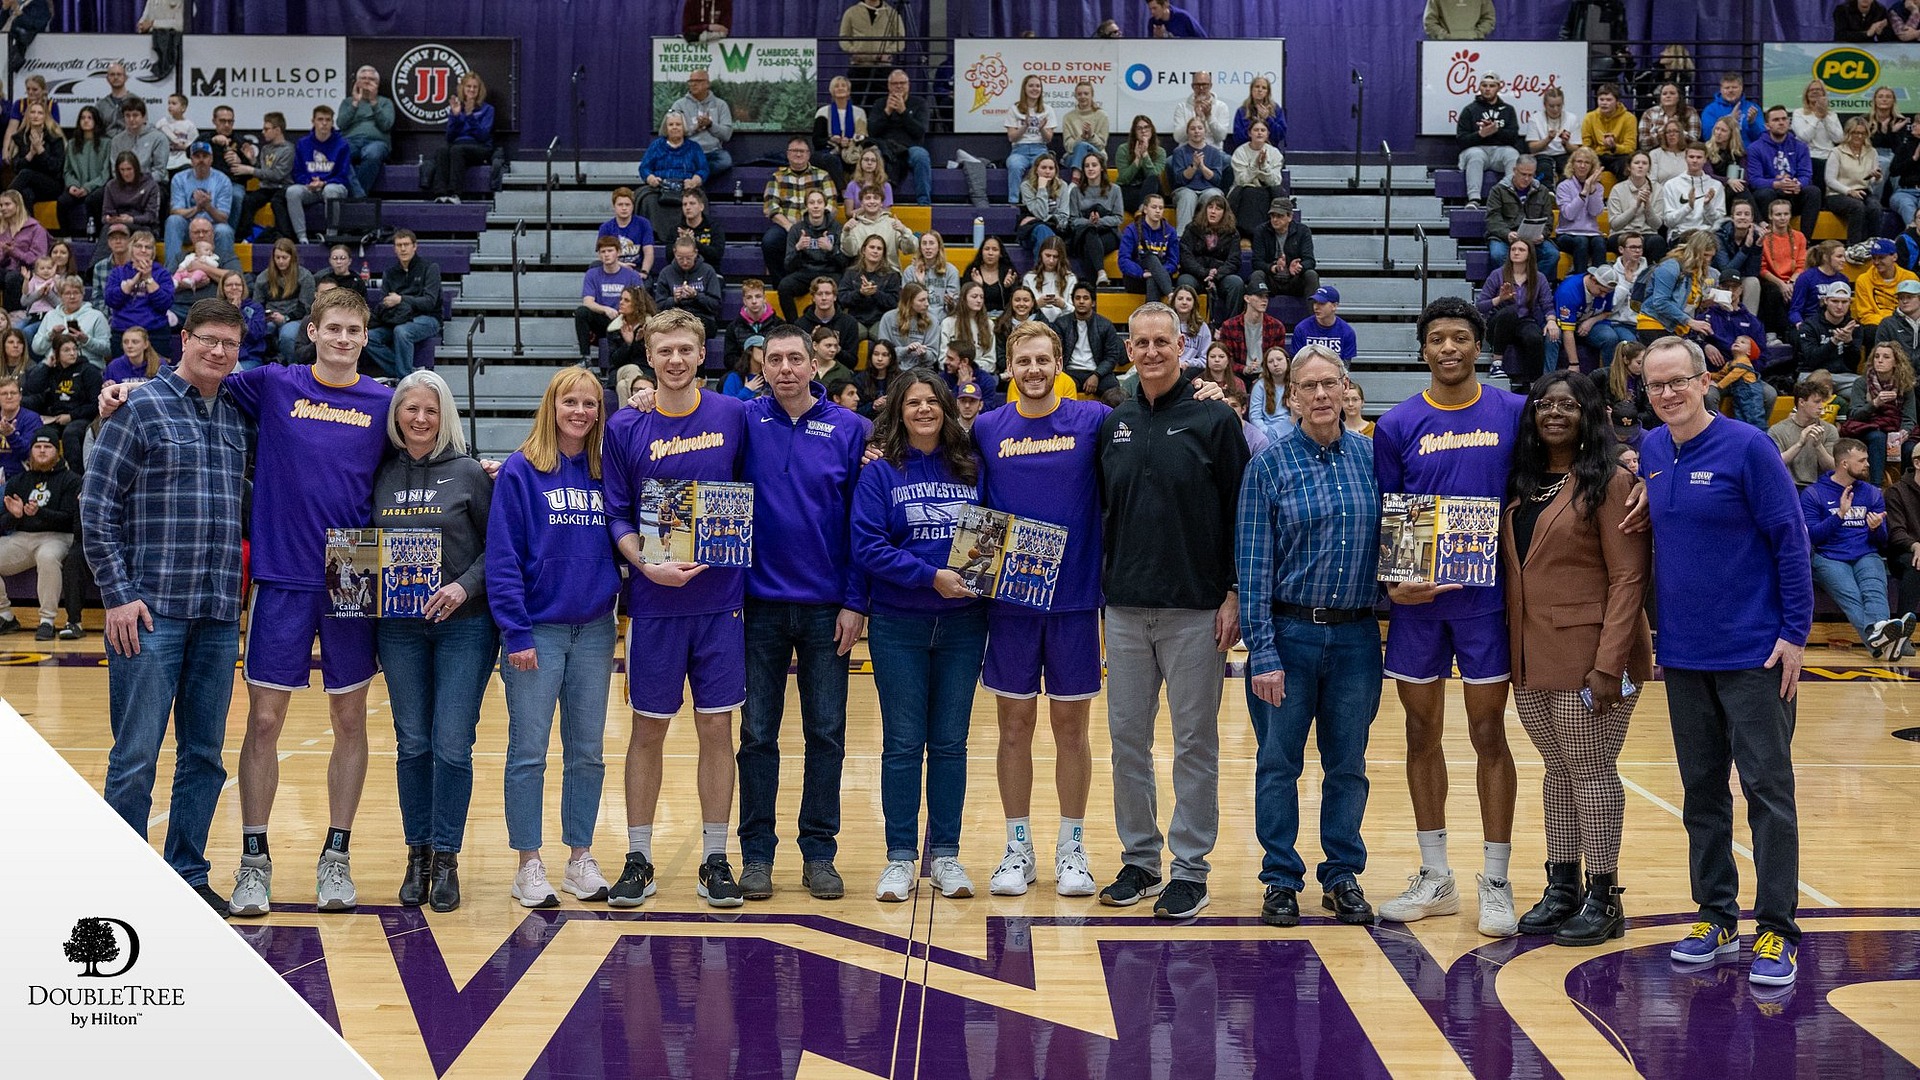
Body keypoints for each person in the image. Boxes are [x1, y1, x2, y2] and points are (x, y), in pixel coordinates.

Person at [1638, 335, 1810, 986]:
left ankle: (1777, 929)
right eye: (1656, 385)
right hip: (1684, 655)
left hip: (1755, 653)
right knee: (1702, 792)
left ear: (1705, 381)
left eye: (1678, 381)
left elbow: (1791, 539)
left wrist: (1795, 634)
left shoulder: (1749, 447)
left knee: (1767, 792)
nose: (1668, 394)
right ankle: (1716, 914)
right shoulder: (1652, 451)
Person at [86, 298, 251, 918]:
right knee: (135, 756)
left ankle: (188, 874)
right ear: (184, 339)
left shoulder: (237, 415)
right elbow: (96, 507)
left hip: (216, 614)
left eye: (230, 343)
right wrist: (117, 595)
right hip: (150, 614)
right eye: (209, 339)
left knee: (204, 756)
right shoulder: (138, 407)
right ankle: (124, 884)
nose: (218, 351)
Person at [1372, 296, 1528, 938]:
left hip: (1486, 603)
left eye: (1460, 337)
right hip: (1419, 609)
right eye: (1437, 338)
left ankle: (1496, 878)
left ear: (1478, 345)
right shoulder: (1396, 423)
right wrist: (1394, 583)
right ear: (1423, 349)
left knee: (1489, 734)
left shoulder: (1513, 411)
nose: (1448, 348)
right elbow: (1389, 510)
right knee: (1420, 733)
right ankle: (1436, 876)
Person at [1097, 301, 1249, 919]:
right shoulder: (1113, 422)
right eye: (1141, 343)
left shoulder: (1215, 418)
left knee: (1194, 745)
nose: (1152, 352)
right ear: (1128, 350)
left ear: (1182, 345)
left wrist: (1234, 592)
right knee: (1127, 743)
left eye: (1163, 341)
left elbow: (1242, 513)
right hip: (1125, 612)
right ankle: (1140, 860)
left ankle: (1189, 869)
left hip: (1195, 611)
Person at [602, 309, 751, 908]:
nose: (675, 360)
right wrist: (645, 564)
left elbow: (752, 489)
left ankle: (716, 859)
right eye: (664, 350)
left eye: (685, 349)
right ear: (648, 355)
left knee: (717, 728)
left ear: (702, 353)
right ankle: (638, 857)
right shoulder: (626, 425)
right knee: (648, 728)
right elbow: (617, 513)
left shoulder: (733, 415)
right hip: (654, 603)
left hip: (721, 601)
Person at [1234, 343, 1382, 928]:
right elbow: (1253, 567)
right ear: (1291, 398)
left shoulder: (1373, 458)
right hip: (1289, 635)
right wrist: (1262, 652)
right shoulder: (1268, 466)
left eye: (1330, 384)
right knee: (1278, 764)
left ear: (1346, 390)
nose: (1321, 395)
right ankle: (1280, 878)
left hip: (1357, 638)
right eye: (1308, 387)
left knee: (1348, 765)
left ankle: (1342, 875)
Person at [1501, 371, 1651, 946]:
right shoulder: (1522, 483)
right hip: (1530, 654)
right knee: (1558, 771)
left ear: (1590, 414)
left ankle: (1604, 894)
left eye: (1568, 405)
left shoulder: (1611, 482)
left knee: (1591, 771)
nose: (1554, 413)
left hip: (1593, 656)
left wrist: (1610, 664)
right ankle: (1561, 886)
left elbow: (1629, 577)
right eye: (1545, 404)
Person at [730, 324, 871, 901]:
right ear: (761, 367)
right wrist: (641, 396)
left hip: (826, 610)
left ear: (816, 365)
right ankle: (756, 855)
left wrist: (856, 600)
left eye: (796, 359)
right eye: (775, 360)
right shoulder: (741, 419)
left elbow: (864, 523)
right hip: (758, 607)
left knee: (826, 734)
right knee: (757, 735)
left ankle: (819, 853)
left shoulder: (852, 430)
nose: (785, 369)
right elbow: (681, 418)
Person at [972, 321, 1109, 897]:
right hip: (1012, 603)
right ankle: (1017, 847)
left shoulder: (1093, 421)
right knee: (1014, 727)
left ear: (1060, 365)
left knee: (1071, 729)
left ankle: (1072, 848)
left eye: (1042, 360)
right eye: (1023, 361)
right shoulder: (987, 428)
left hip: (1075, 601)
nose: (1033, 370)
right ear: (1009, 367)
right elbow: (971, 500)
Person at [852, 369, 987, 901]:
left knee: (951, 743)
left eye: (932, 400)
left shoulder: (972, 466)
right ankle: (901, 857)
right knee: (904, 743)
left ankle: (946, 855)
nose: (924, 409)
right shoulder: (880, 472)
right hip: (898, 623)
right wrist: (930, 576)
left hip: (964, 624)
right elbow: (868, 546)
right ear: (898, 411)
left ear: (947, 408)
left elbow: (994, 531)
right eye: (913, 402)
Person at [488, 366, 621, 908]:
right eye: (571, 402)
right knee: (529, 752)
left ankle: (579, 858)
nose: (580, 412)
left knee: (587, 752)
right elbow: (502, 558)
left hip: (595, 629)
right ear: (552, 406)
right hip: (536, 632)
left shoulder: (607, 469)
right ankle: (528, 864)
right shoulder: (521, 470)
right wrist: (515, 631)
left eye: (590, 404)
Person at [373, 371, 494, 912]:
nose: (421, 419)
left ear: (446, 415)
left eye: (431, 410)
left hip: (464, 626)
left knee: (451, 745)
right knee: (413, 744)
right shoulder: (379, 470)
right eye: (411, 409)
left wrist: (463, 586)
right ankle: (416, 854)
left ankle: (447, 857)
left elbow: (499, 548)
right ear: (396, 414)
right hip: (399, 628)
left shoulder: (470, 472)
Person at [1807, 436, 1915, 657]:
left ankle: (1880, 639)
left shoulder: (1871, 492)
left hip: (1866, 553)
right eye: (1862, 460)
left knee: (1874, 590)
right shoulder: (1814, 493)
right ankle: (1885, 644)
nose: (1868, 464)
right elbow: (1812, 537)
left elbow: (1883, 542)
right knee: (1851, 595)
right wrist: (1839, 515)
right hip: (1829, 556)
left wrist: (1876, 529)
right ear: (1844, 463)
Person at [0, 428, 77, 639]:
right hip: (23, 538)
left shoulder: (71, 480)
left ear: (57, 452)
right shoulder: (18, 481)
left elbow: (70, 520)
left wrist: (39, 512)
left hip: (58, 537)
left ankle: (47, 621)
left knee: (47, 556)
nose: (42, 451)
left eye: (47, 446)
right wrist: (15, 516)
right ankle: (5, 616)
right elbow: (3, 524)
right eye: (38, 446)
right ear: (31, 451)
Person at [365, 229, 443, 380]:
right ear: (394, 248)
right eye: (399, 245)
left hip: (428, 318)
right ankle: (408, 372)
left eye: (406, 244)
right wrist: (394, 304)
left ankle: (404, 380)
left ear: (415, 246)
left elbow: (429, 302)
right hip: (397, 318)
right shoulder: (390, 272)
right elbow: (384, 301)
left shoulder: (429, 268)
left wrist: (401, 299)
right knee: (368, 337)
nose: (403, 249)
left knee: (402, 332)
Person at [1478, 236, 1551, 387]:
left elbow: (1547, 304)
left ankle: (1534, 383)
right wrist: (1500, 298)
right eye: (1513, 249)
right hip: (1498, 323)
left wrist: (1551, 321)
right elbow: (1480, 306)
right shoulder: (1497, 274)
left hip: (1524, 321)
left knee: (1534, 336)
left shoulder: (1539, 278)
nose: (1516, 252)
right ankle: (1496, 364)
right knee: (1510, 312)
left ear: (1529, 254)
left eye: (1521, 250)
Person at [761, 137, 837, 281]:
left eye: (802, 151)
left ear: (809, 154)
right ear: (788, 154)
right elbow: (770, 207)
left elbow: (831, 206)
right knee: (770, 241)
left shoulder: (822, 175)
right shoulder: (777, 177)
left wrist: (814, 224)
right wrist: (789, 227)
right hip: (786, 226)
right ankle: (781, 283)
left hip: (816, 226)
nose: (798, 154)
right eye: (794, 151)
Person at [1845, 339, 1918, 481]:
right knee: (1878, 438)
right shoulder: (1862, 383)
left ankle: (1907, 486)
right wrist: (1875, 403)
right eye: (1877, 356)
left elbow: (1910, 418)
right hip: (1868, 427)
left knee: (1910, 449)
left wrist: (1902, 435)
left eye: (1886, 357)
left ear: (1896, 362)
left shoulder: (1905, 385)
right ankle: (1876, 486)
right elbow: (1854, 414)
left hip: (1896, 429)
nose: (1880, 360)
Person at [22, 331, 99, 468]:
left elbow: (95, 404)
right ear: (56, 353)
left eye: (75, 349)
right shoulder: (52, 371)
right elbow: (32, 388)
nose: (72, 353)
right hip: (55, 418)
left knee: (71, 433)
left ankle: (76, 475)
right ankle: (40, 472)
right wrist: (46, 365)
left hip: (81, 418)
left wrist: (71, 416)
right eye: (66, 350)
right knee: (41, 433)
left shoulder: (89, 371)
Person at [1749, 106, 1824, 242]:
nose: (1781, 122)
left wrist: (1797, 184)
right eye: (1776, 120)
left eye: (1784, 119)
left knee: (1813, 191)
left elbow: (1806, 174)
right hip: (1772, 194)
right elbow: (1754, 180)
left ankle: (1804, 241)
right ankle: (1771, 240)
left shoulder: (1800, 146)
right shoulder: (1755, 148)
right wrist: (1777, 184)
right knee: (1764, 193)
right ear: (1767, 125)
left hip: (1794, 194)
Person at [104, 230, 175, 361]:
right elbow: (111, 300)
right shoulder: (118, 273)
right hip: (123, 331)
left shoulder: (162, 274)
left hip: (155, 332)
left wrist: (148, 278)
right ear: (131, 249)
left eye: (148, 247)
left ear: (153, 251)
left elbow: (165, 303)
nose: (143, 250)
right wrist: (131, 283)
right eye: (138, 246)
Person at [575, 236, 642, 368]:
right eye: (603, 252)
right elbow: (587, 302)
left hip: (626, 319)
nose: (606, 255)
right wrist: (605, 309)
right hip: (603, 319)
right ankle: (585, 358)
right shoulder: (592, 274)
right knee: (581, 312)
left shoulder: (632, 275)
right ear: (599, 255)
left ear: (618, 252)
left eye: (610, 251)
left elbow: (640, 301)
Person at [1457, 73, 1523, 208]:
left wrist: (1496, 131)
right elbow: (1461, 141)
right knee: (1475, 155)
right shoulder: (1469, 110)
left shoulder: (1508, 110)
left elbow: (1513, 138)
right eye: (1484, 85)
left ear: (1499, 88)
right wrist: (1481, 134)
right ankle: (1474, 199)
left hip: (1499, 152)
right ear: (1479, 87)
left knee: (1513, 154)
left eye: (1492, 86)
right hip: (1477, 150)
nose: (1487, 89)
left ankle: (1510, 198)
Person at [427, 72, 493, 204]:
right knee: (442, 151)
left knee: (457, 150)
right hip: (457, 146)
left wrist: (469, 116)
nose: (472, 89)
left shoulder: (488, 109)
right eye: (468, 86)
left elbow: (483, 136)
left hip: (480, 147)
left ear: (480, 90)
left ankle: (455, 193)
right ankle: (440, 194)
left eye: (475, 87)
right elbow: (449, 137)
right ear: (462, 88)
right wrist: (456, 116)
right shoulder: (456, 108)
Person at [778, 190, 844, 321]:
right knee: (784, 287)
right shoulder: (796, 229)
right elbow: (788, 266)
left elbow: (844, 263)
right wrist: (798, 248)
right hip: (805, 272)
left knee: (844, 286)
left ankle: (835, 324)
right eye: (812, 202)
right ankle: (795, 326)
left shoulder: (836, 228)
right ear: (806, 206)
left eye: (819, 202)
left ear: (825, 205)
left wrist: (831, 249)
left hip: (830, 272)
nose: (816, 206)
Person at [1549, 263, 1628, 373]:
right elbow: (1568, 331)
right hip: (1564, 326)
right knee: (1552, 336)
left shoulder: (1607, 289)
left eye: (1607, 293)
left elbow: (1607, 312)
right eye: (1601, 291)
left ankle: (1610, 375)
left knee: (1610, 337)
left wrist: (1591, 321)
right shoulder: (1568, 291)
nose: (1603, 296)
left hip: (1590, 323)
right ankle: (1548, 376)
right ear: (1593, 280)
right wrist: (1574, 364)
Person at [288, 107, 350, 244]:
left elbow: (343, 175)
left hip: (334, 186)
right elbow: (297, 172)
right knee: (292, 192)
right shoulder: (303, 143)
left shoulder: (342, 144)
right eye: (320, 119)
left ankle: (331, 236)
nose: (324, 123)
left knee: (330, 190)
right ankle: (302, 237)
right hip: (310, 187)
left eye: (328, 120)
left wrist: (324, 182)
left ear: (332, 122)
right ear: (313, 121)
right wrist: (309, 182)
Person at [869, 70, 932, 206]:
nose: (898, 86)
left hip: (911, 148)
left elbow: (920, 132)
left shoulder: (919, 103)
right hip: (885, 147)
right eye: (895, 83)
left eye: (902, 83)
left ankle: (924, 203)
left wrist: (903, 112)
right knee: (872, 156)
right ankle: (877, 202)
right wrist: (887, 112)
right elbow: (872, 131)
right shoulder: (880, 104)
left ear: (908, 85)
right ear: (889, 86)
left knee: (921, 156)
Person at [165, 143, 236, 262]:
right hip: (188, 227)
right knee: (173, 221)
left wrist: (208, 207)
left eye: (205, 156)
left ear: (211, 159)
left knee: (224, 230)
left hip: (212, 227)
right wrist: (197, 208)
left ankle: (225, 269)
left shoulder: (223, 180)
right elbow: (175, 211)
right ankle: (172, 268)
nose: (201, 160)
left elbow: (223, 217)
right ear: (191, 160)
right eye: (197, 156)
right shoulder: (179, 178)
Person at [1177, 194, 1243, 321]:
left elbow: (1234, 261)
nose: (1213, 211)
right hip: (1196, 275)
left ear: (1224, 213)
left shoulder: (1232, 233)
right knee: (1185, 281)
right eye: (1210, 207)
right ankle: (1186, 324)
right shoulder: (1192, 228)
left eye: (1218, 208)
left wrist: (1217, 274)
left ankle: (1230, 327)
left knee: (1236, 283)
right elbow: (1186, 257)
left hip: (1220, 276)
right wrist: (1205, 272)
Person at [234, 111, 294, 242]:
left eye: (266, 129)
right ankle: (243, 237)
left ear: (277, 130)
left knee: (277, 202)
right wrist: (252, 161)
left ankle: (286, 237)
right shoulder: (266, 149)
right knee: (248, 200)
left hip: (282, 187)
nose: (263, 132)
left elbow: (277, 175)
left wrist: (250, 170)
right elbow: (263, 172)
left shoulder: (288, 149)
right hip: (266, 187)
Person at [1798, 280, 1866, 394]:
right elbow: (1811, 360)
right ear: (1826, 301)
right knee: (1810, 386)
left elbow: (1853, 364)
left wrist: (1848, 343)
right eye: (1835, 301)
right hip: (1813, 374)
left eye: (1844, 302)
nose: (1839, 306)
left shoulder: (1854, 326)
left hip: (1843, 377)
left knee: (1867, 388)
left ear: (1850, 302)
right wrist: (1834, 341)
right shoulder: (1809, 325)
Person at [254, 237, 315, 362]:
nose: (280, 261)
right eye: (277, 257)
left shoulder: (305, 276)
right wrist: (266, 316)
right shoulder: (263, 278)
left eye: (284, 257)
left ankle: (293, 364)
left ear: (292, 258)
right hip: (270, 317)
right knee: (261, 331)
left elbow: (305, 307)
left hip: (295, 318)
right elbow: (257, 305)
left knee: (288, 335)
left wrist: (285, 318)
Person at [653, 234, 726, 339]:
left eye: (689, 258)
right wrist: (674, 300)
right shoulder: (666, 273)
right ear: (674, 253)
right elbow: (658, 306)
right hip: (673, 319)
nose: (685, 262)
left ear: (696, 253)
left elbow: (715, 305)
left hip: (702, 318)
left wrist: (696, 296)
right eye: (680, 258)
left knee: (692, 330)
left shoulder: (708, 271)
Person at [338, 66, 395, 198]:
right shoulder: (347, 102)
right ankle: (359, 196)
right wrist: (355, 103)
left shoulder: (385, 102)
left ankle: (356, 196)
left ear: (377, 83)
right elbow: (341, 124)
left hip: (376, 142)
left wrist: (374, 102)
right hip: (351, 141)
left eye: (371, 79)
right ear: (357, 82)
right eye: (363, 78)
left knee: (372, 153)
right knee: (339, 152)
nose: (367, 81)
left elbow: (386, 125)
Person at [668, 68, 734, 180]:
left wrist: (710, 125)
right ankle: (697, 180)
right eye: (691, 81)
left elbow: (726, 135)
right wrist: (694, 128)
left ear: (707, 84)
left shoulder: (720, 105)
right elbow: (672, 134)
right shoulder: (679, 105)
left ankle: (695, 178)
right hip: (688, 151)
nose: (693, 84)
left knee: (725, 161)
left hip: (712, 152)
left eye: (698, 81)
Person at [1252, 196, 1319, 300]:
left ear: (1290, 217)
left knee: (1311, 275)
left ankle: (1313, 310)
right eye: (1272, 216)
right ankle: (1258, 310)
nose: (1275, 220)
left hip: (1294, 280)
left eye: (1279, 216)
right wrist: (1273, 268)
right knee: (1257, 275)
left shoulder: (1303, 231)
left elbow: (1310, 261)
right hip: (1271, 279)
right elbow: (1256, 262)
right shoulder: (1261, 231)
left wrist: (1299, 267)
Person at [1825, 118, 1880, 246]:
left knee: (1875, 208)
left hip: (1863, 191)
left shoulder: (1871, 152)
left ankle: (1872, 246)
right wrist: (1849, 191)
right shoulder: (1837, 152)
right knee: (1857, 207)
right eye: (1855, 132)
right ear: (1848, 133)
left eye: (1862, 133)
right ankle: (1854, 247)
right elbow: (1830, 180)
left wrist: (1876, 178)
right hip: (1838, 194)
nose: (1859, 136)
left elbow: (1872, 181)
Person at [838, 0, 905, 105]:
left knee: (881, 102)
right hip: (859, 67)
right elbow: (843, 38)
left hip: (883, 68)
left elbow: (900, 40)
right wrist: (853, 50)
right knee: (859, 101)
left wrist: (887, 52)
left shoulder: (891, 13)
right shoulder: (851, 12)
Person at [33, 276, 108, 366]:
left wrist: (86, 340)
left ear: (83, 294)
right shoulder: (50, 316)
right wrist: (50, 335)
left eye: (76, 293)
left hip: (86, 365)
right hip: (55, 366)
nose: (72, 297)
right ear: (60, 296)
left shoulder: (96, 316)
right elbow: (36, 349)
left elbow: (107, 350)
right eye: (67, 293)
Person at [1167, 119, 1228, 231]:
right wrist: (1194, 167)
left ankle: (1212, 235)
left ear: (1205, 131)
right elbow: (1180, 180)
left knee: (1213, 196)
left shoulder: (1215, 152)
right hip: (1185, 189)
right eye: (1192, 128)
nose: (1196, 131)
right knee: (1188, 196)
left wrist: (1202, 167)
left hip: (1209, 189)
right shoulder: (1179, 152)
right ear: (1187, 132)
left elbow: (1217, 180)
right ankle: (1182, 236)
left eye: (1200, 128)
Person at [1217, 280, 1289, 374]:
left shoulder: (1277, 326)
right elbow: (1225, 359)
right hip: (1238, 374)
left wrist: (1265, 374)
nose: (1264, 300)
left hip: (1267, 375)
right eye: (1260, 296)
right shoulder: (1229, 326)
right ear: (1247, 298)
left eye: (1266, 296)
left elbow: (1279, 357)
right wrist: (1244, 369)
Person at [58, 105, 110, 236]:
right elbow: (67, 170)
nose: (86, 121)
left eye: (89, 118)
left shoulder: (106, 143)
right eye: (82, 118)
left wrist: (87, 187)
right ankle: (65, 237)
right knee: (63, 201)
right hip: (76, 187)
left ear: (96, 121)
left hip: (96, 187)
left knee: (92, 200)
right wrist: (72, 185)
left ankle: (96, 236)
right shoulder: (72, 144)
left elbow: (105, 173)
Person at [1004, 74, 1055, 206]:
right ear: (1024, 89)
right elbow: (1011, 137)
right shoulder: (1014, 109)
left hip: (1040, 149)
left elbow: (1048, 138)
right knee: (1014, 165)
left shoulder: (1048, 110)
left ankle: (1041, 202)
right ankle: (1013, 202)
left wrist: (1041, 128)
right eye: (1031, 86)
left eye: (1038, 86)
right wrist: (1025, 126)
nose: (1034, 89)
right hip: (1019, 150)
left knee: (1045, 167)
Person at [1229, 120, 1287, 235]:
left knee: (1278, 192)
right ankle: (1246, 234)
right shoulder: (1240, 152)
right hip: (1246, 189)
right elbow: (1241, 181)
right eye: (1256, 130)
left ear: (1267, 134)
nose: (1259, 133)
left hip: (1267, 188)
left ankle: (1275, 231)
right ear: (1249, 133)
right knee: (1249, 193)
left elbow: (1276, 181)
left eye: (1263, 130)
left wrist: (1264, 166)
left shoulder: (1275, 153)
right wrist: (1255, 166)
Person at [1119, 192, 1179, 303]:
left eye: (1161, 208)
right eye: (1154, 207)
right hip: (1136, 278)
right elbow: (1123, 260)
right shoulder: (1132, 230)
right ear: (1145, 209)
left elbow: (1173, 262)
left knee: (1153, 276)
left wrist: (1157, 272)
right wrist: (1142, 273)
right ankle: (1170, 294)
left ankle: (1150, 312)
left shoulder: (1170, 231)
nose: (1158, 211)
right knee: (1150, 258)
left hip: (1162, 279)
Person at [1660, 142, 1727, 239]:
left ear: (1705, 159)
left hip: (1707, 236)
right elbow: (1668, 222)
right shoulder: (1671, 185)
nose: (1695, 160)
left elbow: (1719, 222)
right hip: (1680, 234)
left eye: (1699, 157)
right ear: (1685, 158)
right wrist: (1689, 207)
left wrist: (1708, 206)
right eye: (1691, 157)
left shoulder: (1716, 185)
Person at [1852, 237, 1917, 337]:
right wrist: (1888, 324)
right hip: (1876, 325)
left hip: (1905, 322)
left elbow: (1915, 308)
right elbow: (1864, 314)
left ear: (1894, 257)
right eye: (1874, 258)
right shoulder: (1863, 280)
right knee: (1870, 331)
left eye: (1881, 258)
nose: (1876, 262)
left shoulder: (1910, 278)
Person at [6, 98, 62, 211]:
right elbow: (16, 168)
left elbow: (55, 168)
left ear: (45, 116)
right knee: (27, 194)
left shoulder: (55, 138)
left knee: (26, 174)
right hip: (28, 185)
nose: (36, 116)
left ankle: (5, 202)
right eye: (32, 112)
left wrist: (40, 150)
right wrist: (31, 154)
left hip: (51, 185)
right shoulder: (20, 137)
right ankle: (28, 223)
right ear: (28, 115)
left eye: (40, 113)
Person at [840, 184, 914, 264]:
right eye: (868, 198)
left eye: (876, 198)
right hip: (863, 270)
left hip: (890, 270)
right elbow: (850, 252)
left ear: (881, 203)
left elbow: (910, 250)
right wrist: (846, 233)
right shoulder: (855, 227)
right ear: (861, 203)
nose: (872, 201)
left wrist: (904, 231)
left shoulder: (893, 224)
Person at [1016, 154, 1071, 257]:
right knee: (1042, 229)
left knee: (1047, 232)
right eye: (1043, 168)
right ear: (1036, 170)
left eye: (1051, 168)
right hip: (1031, 232)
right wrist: (1042, 188)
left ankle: (1042, 266)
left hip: (1056, 230)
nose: (1047, 171)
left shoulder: (1062, 186)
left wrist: (1037, 219)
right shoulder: (1026, 186)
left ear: (1055, 171)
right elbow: (1041, 213)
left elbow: (1064, 217)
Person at [107, 97, 168, 185]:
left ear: (144, 117)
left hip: (151, 183)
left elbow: (160, 171)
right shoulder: (116, 140)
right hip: (124, 184)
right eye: (127, 115)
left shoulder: (159, 138)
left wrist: (138, 182)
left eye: (135, 115)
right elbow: (115, 170)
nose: (131, 119)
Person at [1114, 115, 1168, 215]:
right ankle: (1143, 210)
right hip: (1129, 189)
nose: (1143, 131)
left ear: (1152, 130)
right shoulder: (1123, 149)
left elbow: (1154, 175)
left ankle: (1142, 209)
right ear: (1134, 132)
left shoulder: (1160, 152)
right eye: (1139, 128)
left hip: (1151, 192)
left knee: (1153, 179)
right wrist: (1137, 159)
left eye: (1146, 127)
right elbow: (1124, 179)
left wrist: (1145, 155)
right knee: (1120, 193)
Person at [1583, 84, 1638, 181]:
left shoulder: (1629, 118)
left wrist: (1614, 147)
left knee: (1625, 164)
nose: (1604, 103)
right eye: (1601, 99)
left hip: (1619, 155)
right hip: (1597, 155)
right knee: (1583, 162)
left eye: (1608, 100)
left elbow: (1630, 147)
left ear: (1617, 101)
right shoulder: (1589, 117)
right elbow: (1586, 144)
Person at [1290, 285, 1358, 362]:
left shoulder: (1347, 332)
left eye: (1321, 303)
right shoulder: (1301, 329)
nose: (1316, 307)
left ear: (1334, 306)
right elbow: (1297, 363)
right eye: (1315, 302)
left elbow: (1345, 365)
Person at [1525, 86, 1578, 183]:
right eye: (1551, 106)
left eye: (1559, 105)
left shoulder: (1572, 118)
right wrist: (1548, 139)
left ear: (1563, 104)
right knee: (1544, 171)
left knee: (1568, 173)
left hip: (1564, 155)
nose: (1556, 109)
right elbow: (1532, 148)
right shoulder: (1535, 119)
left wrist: (1565, 143)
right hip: (1542, 155)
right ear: (1545, 105)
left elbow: (1576, 150)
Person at [1059, 81, 1110, 176]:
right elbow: (1069, 147)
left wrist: (1091, 136)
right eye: (1079, 94)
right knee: (1081, 146)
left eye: (1086, 94)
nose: (1082, 96)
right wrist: (1081, 137)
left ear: (1092, 95)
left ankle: (1076, 178)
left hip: (1097, 155)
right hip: (1073, 156)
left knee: (1083, 146)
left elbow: (1101, 145)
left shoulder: (1102, 116)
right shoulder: (1068, 117)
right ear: (1075, 96)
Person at [1171, 72, 1231, 152]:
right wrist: (1195, 118)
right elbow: (1178, 138)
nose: (1201, 88)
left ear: (1210, 86)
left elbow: (1221, 137)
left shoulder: (1221, 106)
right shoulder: (1182, 107)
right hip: (1186, 152)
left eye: (1204, 84)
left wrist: (1209, 116)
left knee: (1227, 158)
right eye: (1197, 85)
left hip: (1214, 152)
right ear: (1192, 86)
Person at [1023, 237, 1076, 323]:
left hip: (1063, 324)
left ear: (1061, 258)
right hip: (1036, 324)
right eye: (1047, 255)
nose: (1051, 260)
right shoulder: (1029, 278)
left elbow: (1075, 311)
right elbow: (1022, 310)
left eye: (1055, 257)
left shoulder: (1070, 278)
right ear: (1041, 254)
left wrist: (1063, 305)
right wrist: (1036, 305)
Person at [965, 235, 1020, 315]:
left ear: (1000, 254)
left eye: (995, 249)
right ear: (981, 252)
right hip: (977, 316)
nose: (990, 253)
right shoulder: (973, 271)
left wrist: (1008, 288)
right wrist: (978, 286)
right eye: (987, 249)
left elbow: (1017, 301)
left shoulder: (1009, 272)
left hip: (1004, 317)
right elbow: (964, 299)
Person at [94, 63, 135, 138]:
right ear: (107, 79)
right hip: (107, 142)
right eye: (112, 74)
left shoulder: (135, 101)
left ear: (125, 78)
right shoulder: (101, 105)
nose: (116, 77)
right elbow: (96, 129)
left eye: (119, 74)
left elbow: (143, 126)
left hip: (130, 141)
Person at [1425, 0, 1494, 38]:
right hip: (1444, 46)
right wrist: (1444, 37)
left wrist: (1477, 34)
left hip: (1475, 45)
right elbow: (1430, 21)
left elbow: (1488, 18)